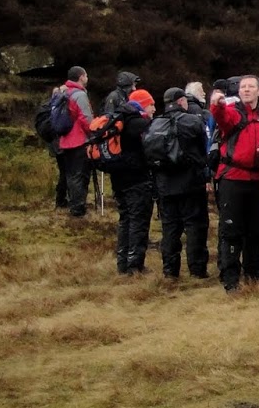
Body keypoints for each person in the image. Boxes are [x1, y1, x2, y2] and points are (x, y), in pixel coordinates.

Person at [209, 74, 259, 292]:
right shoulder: (233, 113)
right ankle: (230, 279)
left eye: (251, 87)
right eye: (243, 87)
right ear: (239, 92)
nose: (246, 90)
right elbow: (221, 117)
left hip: (258, 179)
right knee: (231, 231)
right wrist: (217, 102)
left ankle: (256, 274)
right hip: (232, 179)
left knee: (257, 230)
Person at [151, 87, 211, 279]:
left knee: (169, 228)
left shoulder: (155, 123)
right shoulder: (192, 121)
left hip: (165, 184)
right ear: (181, 101)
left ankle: (170, 270)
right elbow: (204, 147)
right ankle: (197, 269)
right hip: (191, 182)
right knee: (195, 226)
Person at [105, 88, 156, 275]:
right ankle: (135, 265)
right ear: (142, 105)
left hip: (119, 179)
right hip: (137, 179)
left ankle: (122, 263)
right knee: (138, 222)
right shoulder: (139, 124)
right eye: (151, 104)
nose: (154, 109)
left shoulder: (120, 119)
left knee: (125, 220)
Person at [55, 66, 94, 217]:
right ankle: (78, 208)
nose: (87, 78)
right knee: (80, 175)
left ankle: (73, 203)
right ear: (81, 77)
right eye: (86, 75)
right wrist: (94, 132)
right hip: (79, 140)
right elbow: (85, 118)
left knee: (70, 175)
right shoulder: (80, 95)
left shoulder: (64, 92)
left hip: (65, 139)